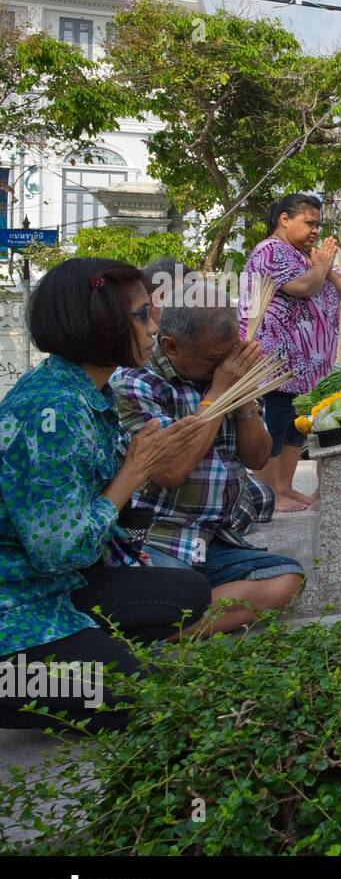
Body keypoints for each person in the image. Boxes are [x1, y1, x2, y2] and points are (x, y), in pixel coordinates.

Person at [0, 259, 212, 731]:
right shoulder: (52, 410)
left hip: (61, 585)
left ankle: (87, 652)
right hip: (18, 603)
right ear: (99, 323)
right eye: (142, 316)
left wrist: (148, 465)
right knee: (142, 697)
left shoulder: (89, 391)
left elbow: (105, 520)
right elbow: (61, 551)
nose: (155, 327)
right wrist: (133, 473)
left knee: (190, 592)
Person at [112, 277, 306, 636]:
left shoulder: (223, 369)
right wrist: (218, 393)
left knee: (286, 580)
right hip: (160, 538)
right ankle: (168, 612)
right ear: (171, 346)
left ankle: (165, 630)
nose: (224, 365)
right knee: (177, 588)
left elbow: (259, 457)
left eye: (228, 355)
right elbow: (170, 471)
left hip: (214, 539)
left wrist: (242, 394)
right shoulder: (137, 382)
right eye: (214, 359)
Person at [240, 193, 341, 512]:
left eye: (319, 224)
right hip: (278, 361)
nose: (316, 230)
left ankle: (284, 487)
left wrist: (324, 267)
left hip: (308, 367)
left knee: (296, 427)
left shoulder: (307, 256)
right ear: (285, 219)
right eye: (310, 223)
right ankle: (267, 493)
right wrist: (319, 268)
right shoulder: (270, 250)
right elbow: (303, 287)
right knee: (275, 424)